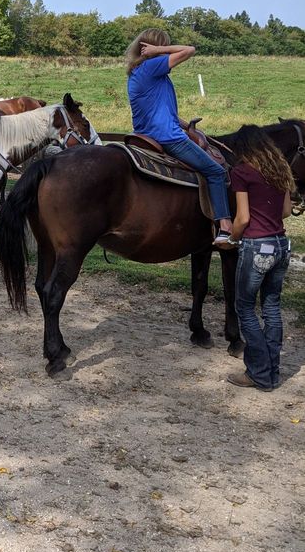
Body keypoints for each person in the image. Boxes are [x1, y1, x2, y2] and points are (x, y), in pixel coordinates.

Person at [126, 28, 233, 244]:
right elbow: (189, 50)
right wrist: (159, 50)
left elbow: (159, 108)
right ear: (152, 48)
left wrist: (186, 125)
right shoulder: (152, 66)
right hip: (168, 137)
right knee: (215, 171)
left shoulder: (137, 72)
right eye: (164, 46)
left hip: (145, 134)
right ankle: (225, 227)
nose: (167, 52)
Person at [226, 125, 294, 391]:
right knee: (271, 309)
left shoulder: (242, 172)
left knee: (244, 308)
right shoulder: (281, 170)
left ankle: (259, 372)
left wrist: (231, 239)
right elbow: (287, 211)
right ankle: (272, 372)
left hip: (256, 246)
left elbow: (242, 218)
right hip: (281, 245)